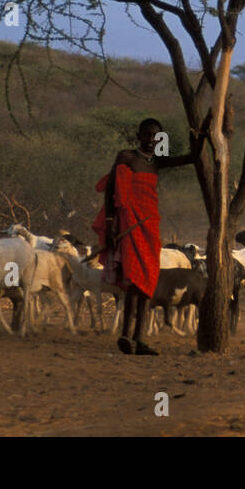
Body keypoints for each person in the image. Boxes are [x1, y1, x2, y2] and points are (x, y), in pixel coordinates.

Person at [93, 118, 198, 355]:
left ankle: (138, 339)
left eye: (157, 136)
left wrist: (198, 135)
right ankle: (125, 335)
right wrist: (110, 224)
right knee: (134, 282)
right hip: (129, 226)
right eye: (148, 135)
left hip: (150, 228)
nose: (152, 140)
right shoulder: (126, 157)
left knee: (147, 284)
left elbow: (191, 158)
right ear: (138, 135)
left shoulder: (158, 162)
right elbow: (110, 191)